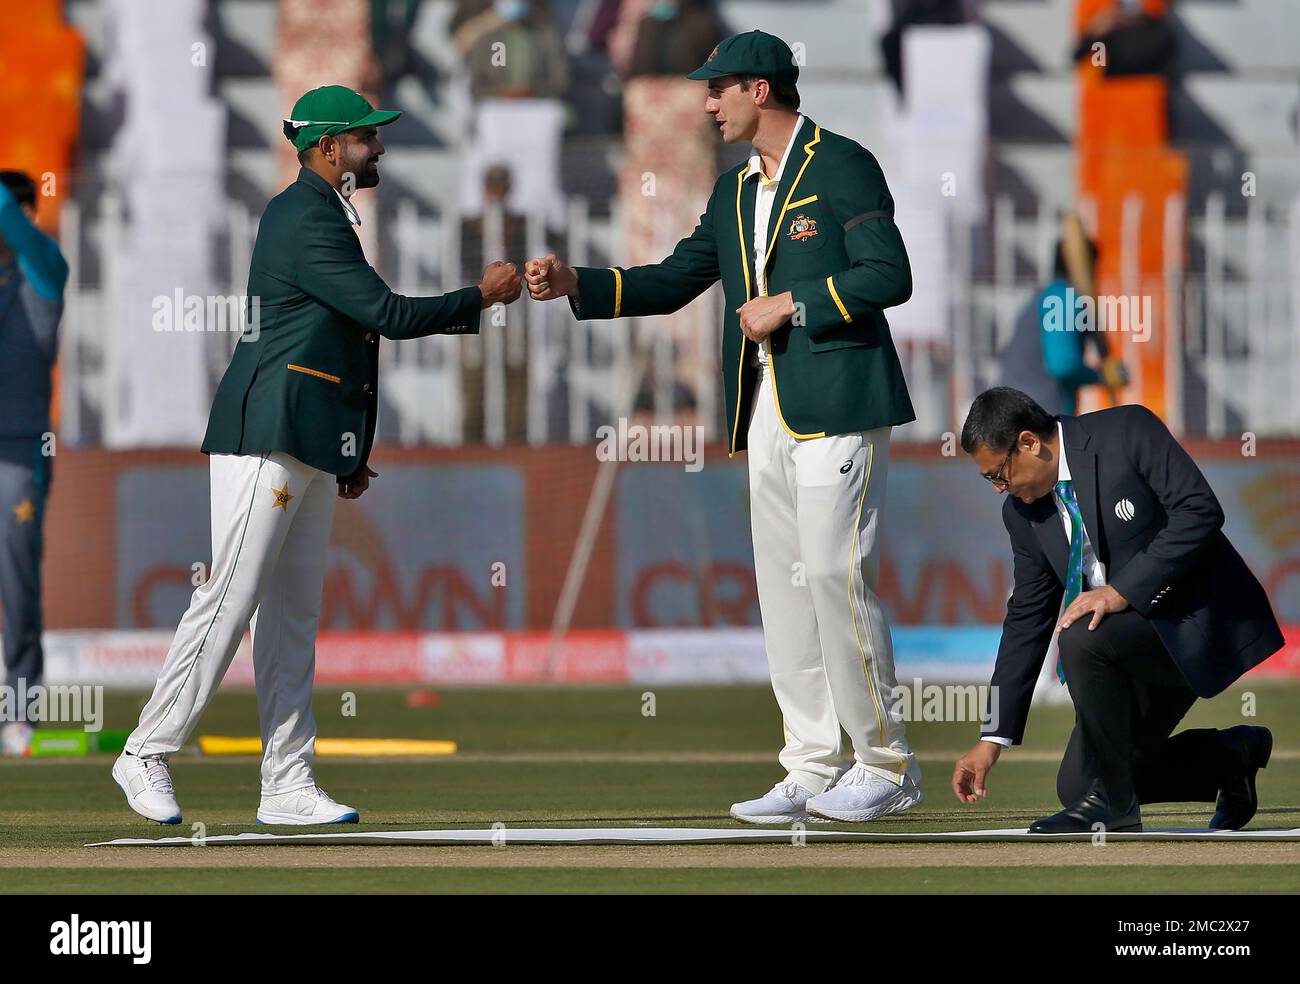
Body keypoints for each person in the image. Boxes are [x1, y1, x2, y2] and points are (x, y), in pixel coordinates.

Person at [526, 31, 922, 824]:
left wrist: (795, 304)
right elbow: (675, 280)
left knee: (836, 575)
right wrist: (580, 282)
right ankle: (810, 764)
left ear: (762, 91)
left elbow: (891, 274)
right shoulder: (735, 191)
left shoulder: (842, 165)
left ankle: (885, 763)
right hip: (764, 406)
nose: (707, 103)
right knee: (785, 586)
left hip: (840, 400)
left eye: (720, 89)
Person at [111, 85, 521, 825]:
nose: (379, 148)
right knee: (232, 597)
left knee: (292, 616)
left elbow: (347, 343)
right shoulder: (303, 215)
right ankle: (146, 749)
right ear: (329, 148)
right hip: (268, 430)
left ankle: (286, 781)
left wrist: (348, 449)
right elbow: (385, 317)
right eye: (366, 138)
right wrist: (480, 297)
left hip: (309, 436)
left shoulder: (326, 210)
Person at [952, 387, 1281, 832]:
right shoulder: (1022, 515)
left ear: (1029, 442)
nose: (998, 490)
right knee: (1078, 786)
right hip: (1123, 647)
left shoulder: (1128, 431)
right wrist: (991, 738)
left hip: (1196, 624)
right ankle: (1230, 758)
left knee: (1080, 637)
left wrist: (1122, 590)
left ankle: (1115, 811)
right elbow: (1026, 619)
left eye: (999, 474)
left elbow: (1199, 510)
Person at [0, 171, 68, 758]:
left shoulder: (44, 268)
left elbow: (20, 233)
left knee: (17, 581)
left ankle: (18, 711)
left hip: (18, 450)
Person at [998, 234, 1126, 416]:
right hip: (1038, 415)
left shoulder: (1047, 296)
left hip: (1020, 410)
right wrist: (1101, 376)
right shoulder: (1062, 298)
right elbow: (1062, 364)